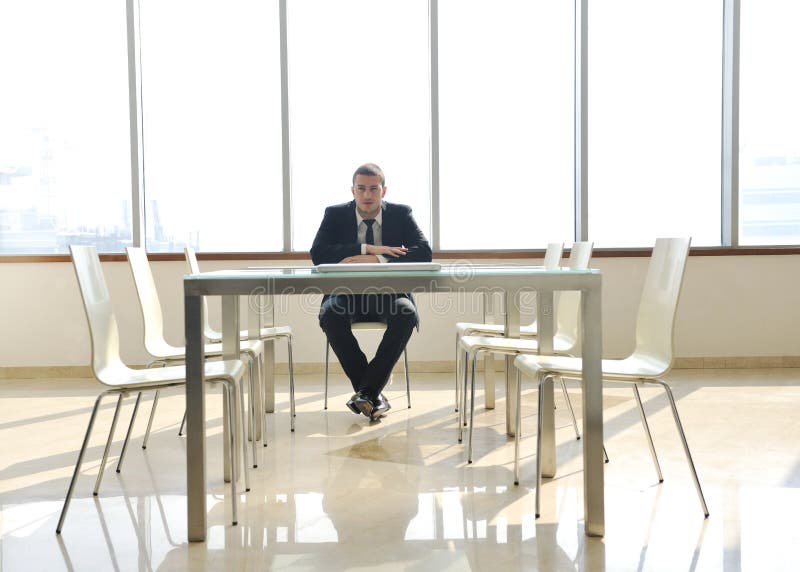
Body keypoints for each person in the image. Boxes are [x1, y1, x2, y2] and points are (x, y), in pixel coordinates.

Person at [310, 163, 432, 421]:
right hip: (345, 294)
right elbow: (318, 253)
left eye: (373, 189)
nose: (367, 195)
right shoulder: (335, 214)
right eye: (361, 188)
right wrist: (368, 249)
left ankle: (367, 392)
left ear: (383, 191)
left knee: (406, 313)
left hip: (389, 293)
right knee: (330, 314)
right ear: (352, 190)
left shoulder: (400, 213)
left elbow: (423, 251)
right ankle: (371, 393)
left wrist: (378, 260)